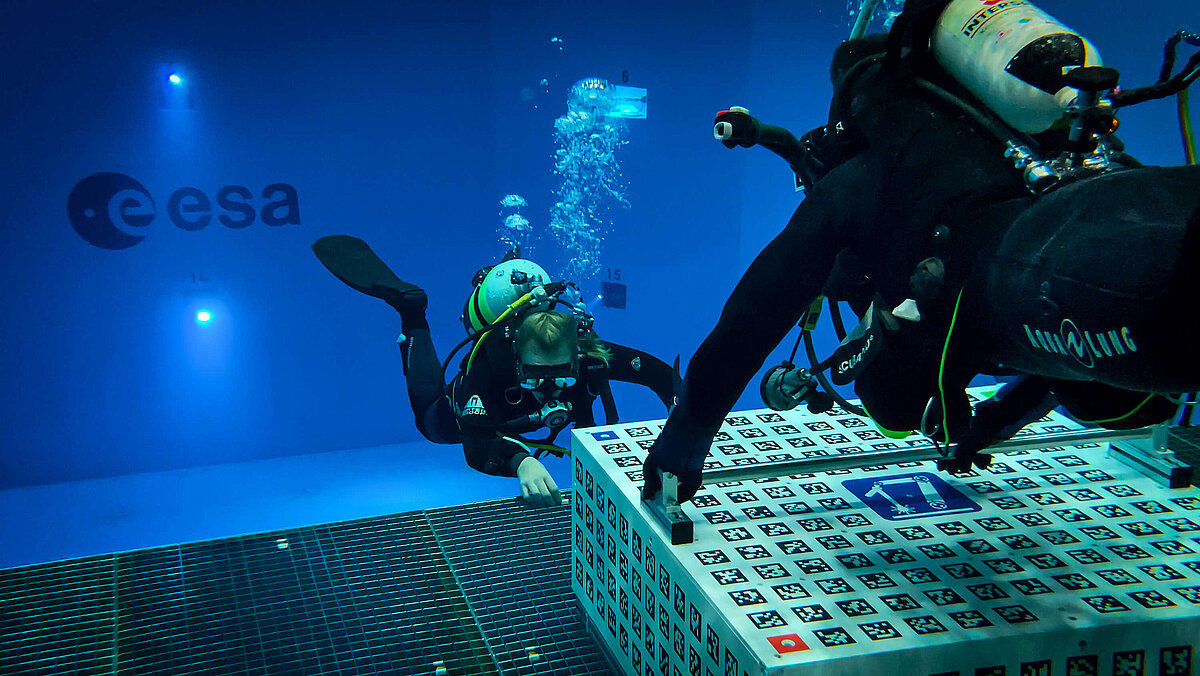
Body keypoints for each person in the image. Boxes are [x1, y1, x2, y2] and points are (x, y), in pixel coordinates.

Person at [643, 1, 1200, 502]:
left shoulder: (870, 173)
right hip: (1121, 212)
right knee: (1133, 378)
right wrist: (999, 418)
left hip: (1049, 289)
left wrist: (687, 434)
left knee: (890, 395)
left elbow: (758, 309)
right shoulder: (1016, 135)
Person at [313, 235, 679, 507]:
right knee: (431, 425)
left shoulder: (587, 353)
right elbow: (474, 445)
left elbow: (660, 374)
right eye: (537, 375)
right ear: (515, 360)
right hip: (465, 418)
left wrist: (681, 415)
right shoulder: (489, 369)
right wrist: (521, 463)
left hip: (517, 417)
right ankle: (412, 315)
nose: (552, 389)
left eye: (563, 375)